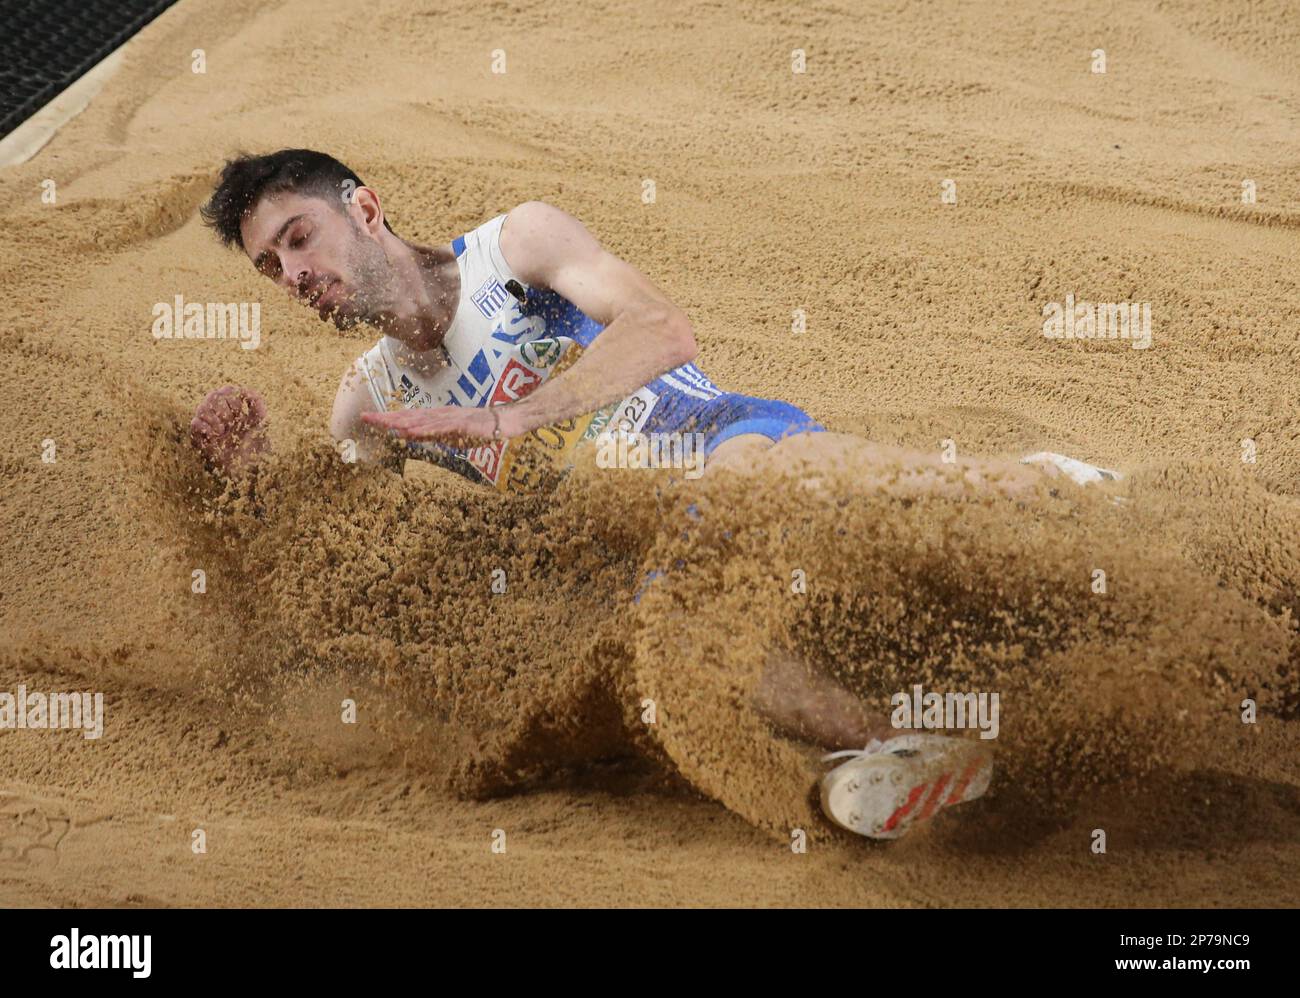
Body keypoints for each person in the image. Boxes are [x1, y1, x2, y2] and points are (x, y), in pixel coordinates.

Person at [191, 148, 1120, 839]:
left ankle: (1042, 491)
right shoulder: (368, 403)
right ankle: (904, 747)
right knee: (664, 656)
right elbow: (338, 548)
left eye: (298, 238)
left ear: (365, 207)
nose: (293, 276)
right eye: (270, 269)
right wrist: (246, 488)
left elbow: (661, 329)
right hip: (652, 555)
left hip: (715, 445)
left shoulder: (514, 248)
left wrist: (520, 417)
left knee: (758, 477)